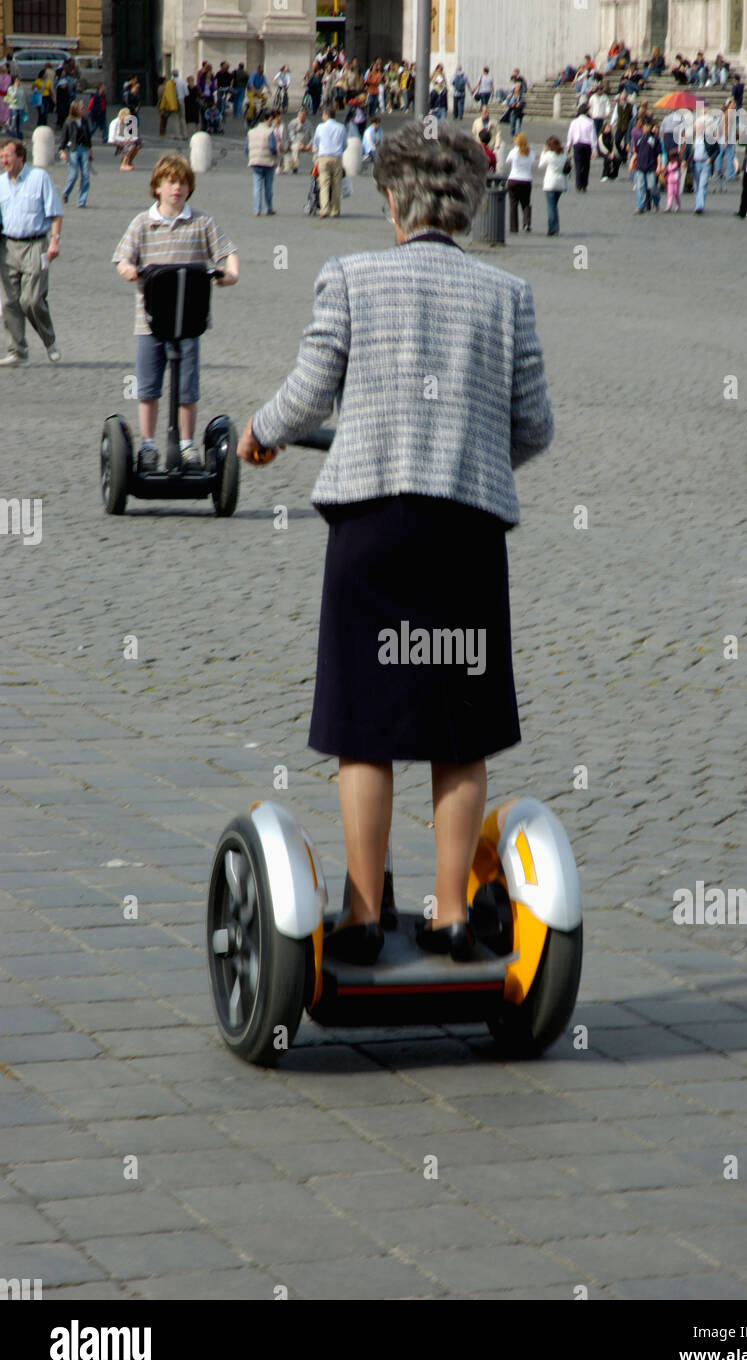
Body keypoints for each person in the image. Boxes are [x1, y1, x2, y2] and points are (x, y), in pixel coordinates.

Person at [235, 122, 553, 967]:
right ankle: (451, 914)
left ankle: (366, 914)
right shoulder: (507, 294)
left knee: (365, 724)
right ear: (471, 202)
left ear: (391, 200)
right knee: (459, 730)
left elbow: (309, 390)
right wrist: (476, 454)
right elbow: (534, 426)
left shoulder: (351, 276)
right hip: (467, 532)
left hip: (374, 530)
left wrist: (260, 435)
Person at [111, 154, 239, 470]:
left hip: (189, 321)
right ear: (157, 187)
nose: (177, 189)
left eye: (182, 183)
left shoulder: (201, 222)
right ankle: (149, 445)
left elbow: (227, 252)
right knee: (148, 386)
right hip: (150, 321)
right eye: (170, 183)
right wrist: (128, 269)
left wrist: (230, 273)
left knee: (187, 388)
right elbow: (123, 258)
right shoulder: (143, 222)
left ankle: (186, 445)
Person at [0, 137, 63, 367]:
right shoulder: (1, 184)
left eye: (7, 155)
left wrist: (55, 241)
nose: (3, 160)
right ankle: (17, 350)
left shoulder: (39, 178)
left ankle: (49, 340)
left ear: (20, 156)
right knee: (9, 302)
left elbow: (55, 213)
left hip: (36, 245)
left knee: (32, 299)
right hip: (7, 246)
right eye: (1, 156)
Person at [311, 104, 346, 217]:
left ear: (327, 115)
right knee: (336, 185)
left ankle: (324, 209)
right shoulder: (341, 127)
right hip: (336, 157)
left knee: (324, 184)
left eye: (323, 115)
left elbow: (316, 142)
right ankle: (335, 210)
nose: (322, 117)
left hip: (324, 157)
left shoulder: (320, 127)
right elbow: (344, 145)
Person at [59, 101, 93, 208]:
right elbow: (64, 138)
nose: (84, 110)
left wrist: (90, 149)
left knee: (86, 175)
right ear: (76, 109)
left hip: (84, 149)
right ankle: (66, 192)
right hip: (73, 149)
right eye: (82, 108)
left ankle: (81, 201)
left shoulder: (85, 120)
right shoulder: (69, 122)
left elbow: (88, 135)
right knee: (73, 175)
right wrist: (62, 151)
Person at [246, 109, 279, 215]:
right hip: (268, 162)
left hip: (255, 162)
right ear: (268, 119)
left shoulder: (251, 132)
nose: (272, 122)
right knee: (268, 187)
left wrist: (252, 156)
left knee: (257, 186)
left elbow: (246, 148)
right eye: (271, 120)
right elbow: (273, 147)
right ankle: (269, 208)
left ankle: (257, 209)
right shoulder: (270, 132)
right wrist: (276, 156)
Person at [505, 130, 535, 233]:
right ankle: (526, 223)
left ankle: (514, 227)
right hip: (526, 179)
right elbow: (533, 162)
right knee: (526, 203)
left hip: (513, 179)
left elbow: (507, 161)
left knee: (513, 204)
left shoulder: (514, 151)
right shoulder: (530, 152)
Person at [538, 134, 566, 235]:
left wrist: (543, 152)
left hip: (550, 182)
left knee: (551, 207)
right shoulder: (563, 154)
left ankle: (552, 228)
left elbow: (540, 165)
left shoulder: (548, 155)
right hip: (560, 181)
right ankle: (556, 227)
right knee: (554, 206)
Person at [566, 101, 597, 192]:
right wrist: (594, 149)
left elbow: (570, 134)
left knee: (578, 165)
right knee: (586, 165)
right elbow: (593, 136)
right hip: (587, 145)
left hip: (577, 145)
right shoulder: (590, 122)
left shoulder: (574, 122)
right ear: (586, 111)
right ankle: (584, 184)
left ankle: (578, 185)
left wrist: (568, 146)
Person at [632, 117, 661, 213]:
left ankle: (656, 201)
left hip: (651, 166)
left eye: (648, 126)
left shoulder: (655, 139)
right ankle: (640, 206)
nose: (646, 128)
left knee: (652, 186)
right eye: (644, 126)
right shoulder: (638, 139)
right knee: (640, 186)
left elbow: (658, 154)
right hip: (640, 166)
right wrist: (632, 161)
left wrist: (659, 166)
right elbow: (636, 152)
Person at [280, 108, 312, 174]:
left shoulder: (309, 124)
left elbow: (313, 136)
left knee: (316, 149)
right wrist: (300, 144)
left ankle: (317, 168)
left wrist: (310, 144)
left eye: (303, 116)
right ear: (298, 116)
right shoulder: (293, 123)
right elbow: (291, 136)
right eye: (300, 116)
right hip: (296, 143)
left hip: (306, 144)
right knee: (296, 148)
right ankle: (295, 166)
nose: (302, 118)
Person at [157, 70, 182, 138]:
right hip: (163, 105)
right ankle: (162, 133)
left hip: (162, 105)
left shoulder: (161, 87)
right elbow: (164, 97)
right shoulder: (162, 87)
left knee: (164, 119)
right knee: (163, 120)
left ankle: (162, 133)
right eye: (165, 80)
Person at [664, 145, 682, 210]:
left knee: (676, 193)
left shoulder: (676, 164)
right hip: (669, 181)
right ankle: (669, 205)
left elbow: (671, 169)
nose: (672, 159)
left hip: (676, 181)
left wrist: (667, 168)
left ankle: (678, 204)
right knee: (670, 193)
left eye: (673, 158)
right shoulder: (669, 163)